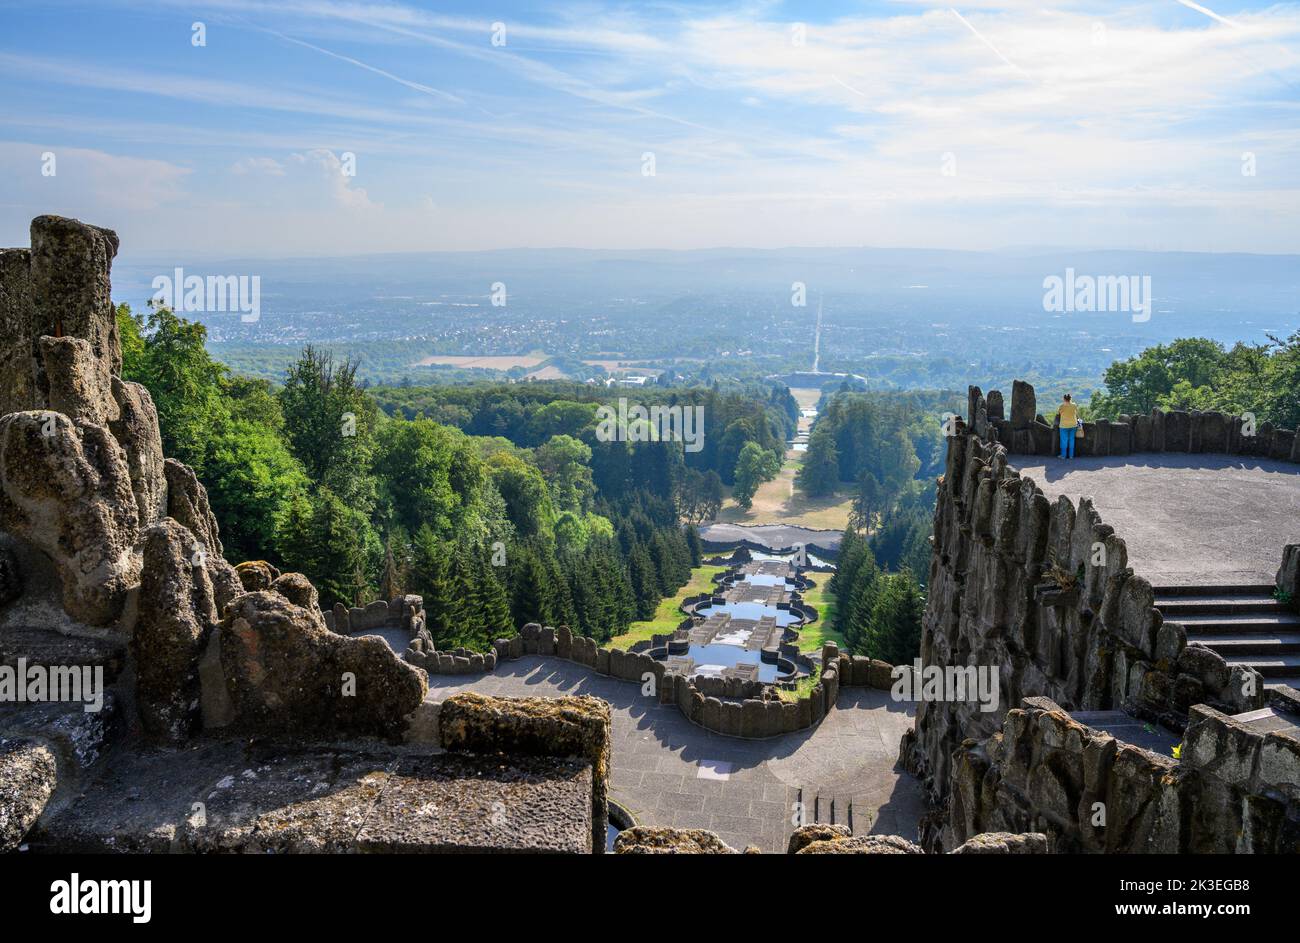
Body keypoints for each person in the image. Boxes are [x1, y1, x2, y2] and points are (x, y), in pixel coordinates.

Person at [1057, 393, 1078, 459]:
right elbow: (1076, 412)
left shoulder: (1062, 406)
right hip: (1073, 424)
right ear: (1070, 398)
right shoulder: (1074, 405)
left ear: (1064, 399)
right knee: (1072, 440)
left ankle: (1063, 456)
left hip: (1064, 425)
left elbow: (1059, 413)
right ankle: (1071, 456)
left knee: (1064, 440)